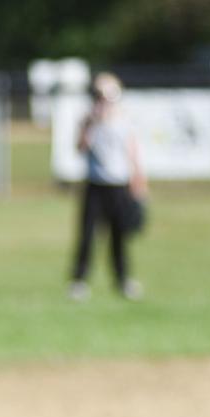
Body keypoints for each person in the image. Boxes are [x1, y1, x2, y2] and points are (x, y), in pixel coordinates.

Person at [68, 72, 148, 301]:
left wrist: (138, 182)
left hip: (119, 184)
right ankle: (79, 280)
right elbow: (80, 148)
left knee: (119, 236)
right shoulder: (88, 119)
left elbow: (133, 153)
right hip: (95, 184)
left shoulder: (124, 120)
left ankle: (122, 280)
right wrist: (91, 124)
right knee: (87, 235)